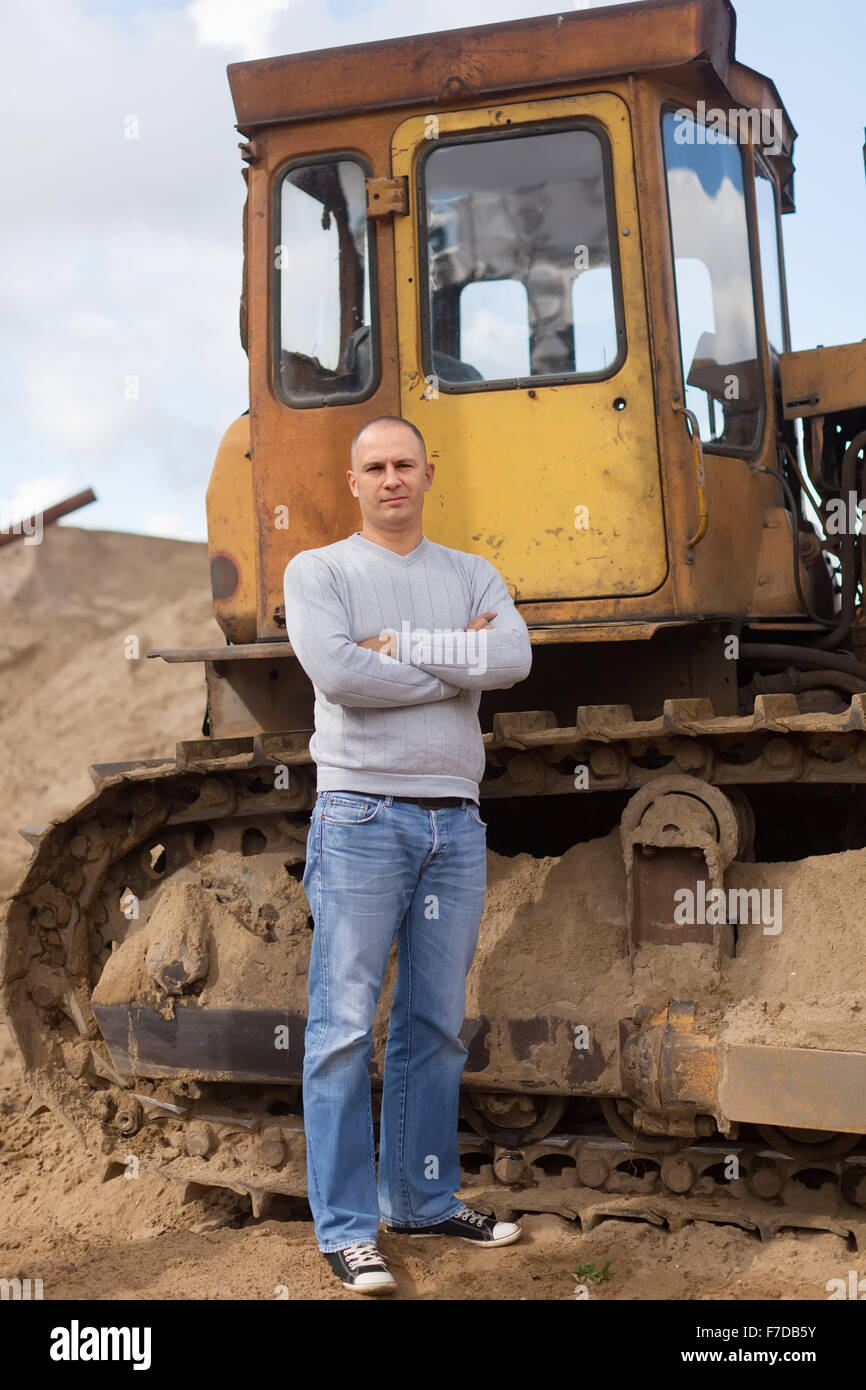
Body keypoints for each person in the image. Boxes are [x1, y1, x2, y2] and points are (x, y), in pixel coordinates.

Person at [283, 415, 533, 1295]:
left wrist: (413, 648)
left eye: (405, 465)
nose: (392, 478)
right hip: (361, 816)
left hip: (453, 824)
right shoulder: (319, 571)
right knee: (344, 1028)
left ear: (430, 473)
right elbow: (340, 674)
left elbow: (514, 656)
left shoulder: (473, 572)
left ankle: (422, 1201)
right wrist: (456, 669)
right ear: (353, 482)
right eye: (374, 467)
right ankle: (348, 1230)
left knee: (433, 1025)